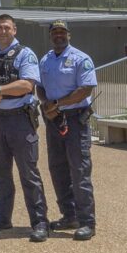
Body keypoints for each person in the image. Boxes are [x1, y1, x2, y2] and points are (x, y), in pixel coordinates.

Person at [0, 13, 47, 241]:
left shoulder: (25, 54)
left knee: (28, 173)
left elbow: (27, 84)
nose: (3, 32)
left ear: (14, 30)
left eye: (7, 28)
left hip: (20, 120)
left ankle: (39, 222)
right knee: (0, 172)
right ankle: (3, 218)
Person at [38, 20, 97, 240]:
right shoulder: (45, 60)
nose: (59, 35)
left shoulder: (81, 58)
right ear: (50, 36)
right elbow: (40, 87)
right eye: (55, 32)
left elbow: (85, 89)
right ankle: (69, 215)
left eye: (62, 32)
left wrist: (58, 104)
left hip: (74, 120)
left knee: (79, 171)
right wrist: (46, 104)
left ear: (69, 35)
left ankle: (87, 222)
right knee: (58, 169)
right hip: (53, 120)